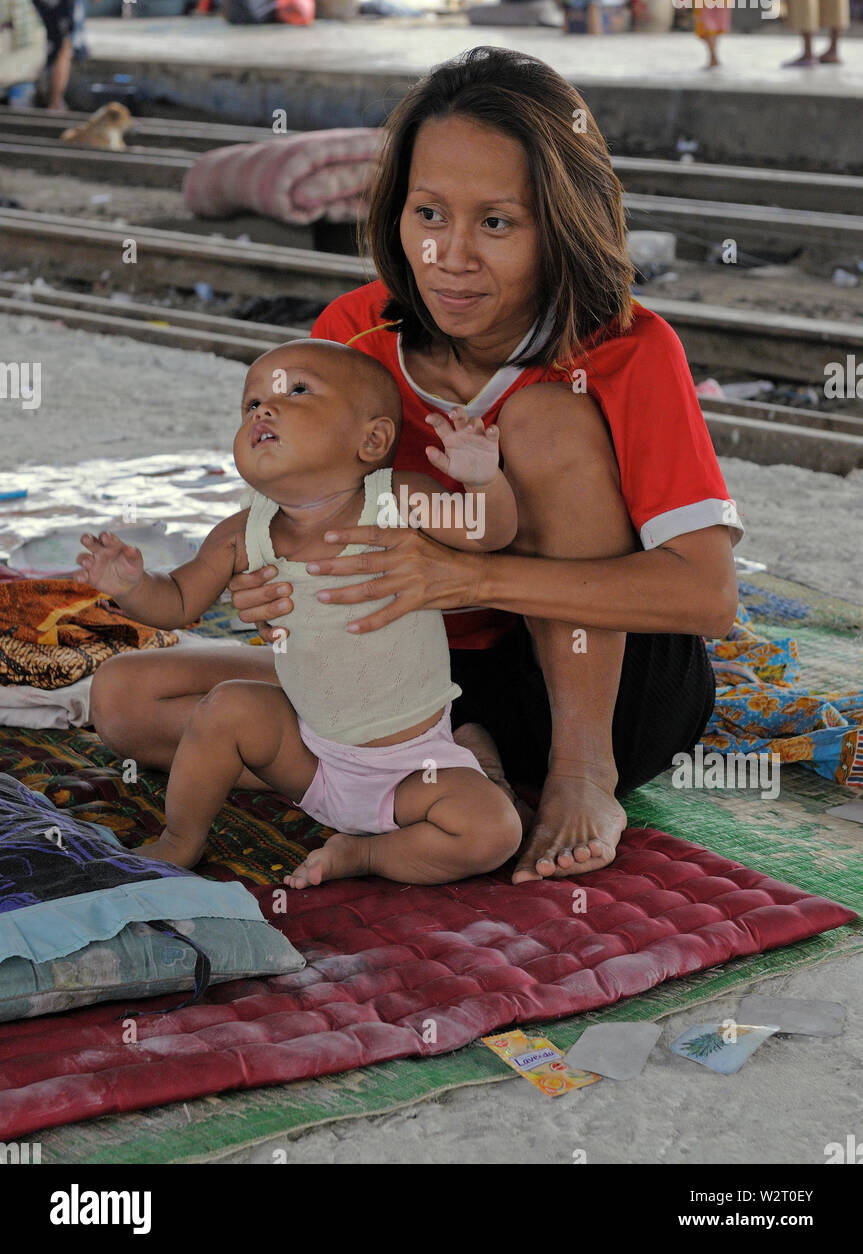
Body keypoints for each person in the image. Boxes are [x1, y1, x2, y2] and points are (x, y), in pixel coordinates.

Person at [90, 47, 741, 886]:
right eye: (428, 214)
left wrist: (468, 578)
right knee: (127, 702)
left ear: (563, 220)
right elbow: (302, 506)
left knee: (543, 419)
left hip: (607, 700)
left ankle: (579, 777)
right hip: (418, 687)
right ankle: (442, 786)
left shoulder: (625, 349)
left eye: (496, 222)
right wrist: (277, 589)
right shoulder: (354, 333)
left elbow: (706, 596)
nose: (449, 256)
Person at [78, 341, 522, 884]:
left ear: (373, 439)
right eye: (252, 403)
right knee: (227, 708)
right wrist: (131, 584)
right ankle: (180, 838)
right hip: (309, 757)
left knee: (494, 830)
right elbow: (176, 602)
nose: (263, 409)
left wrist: (483, 479)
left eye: (297, 391)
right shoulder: (243, 533)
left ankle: (365, 855)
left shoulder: (398, 497)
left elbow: (489, 534)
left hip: (416, 766)